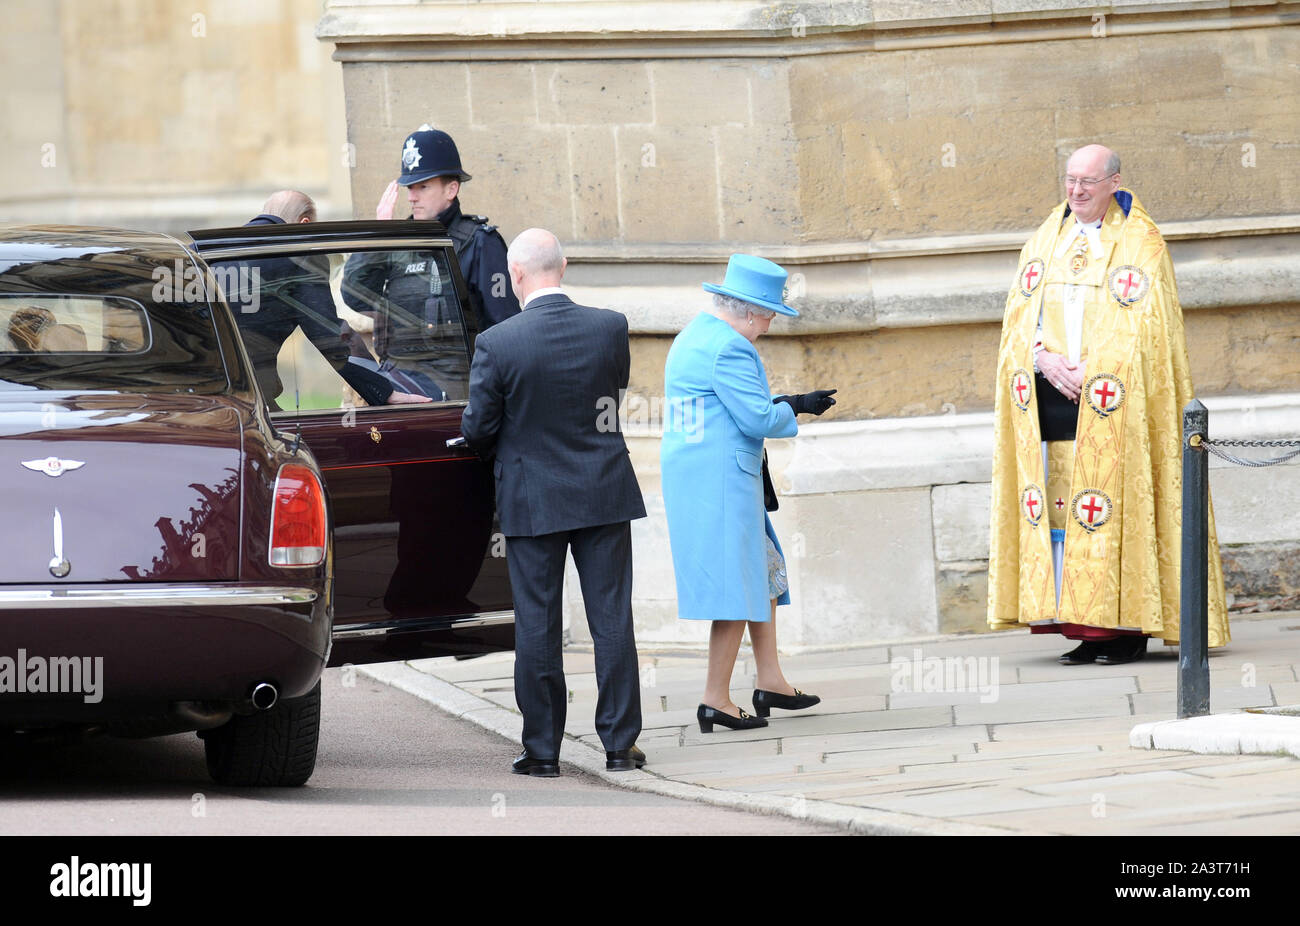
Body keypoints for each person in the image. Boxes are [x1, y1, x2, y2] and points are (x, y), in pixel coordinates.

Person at [987, 144, 1230, 665]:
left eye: (1087, 183)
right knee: (1064, 508)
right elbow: (1017, 318)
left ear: (1114, 181)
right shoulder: (1045, 238)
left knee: (1112, 508)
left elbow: (1150, 330)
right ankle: (1082, 627)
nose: (1075, 191)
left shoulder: (1143, 242)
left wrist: (1094, 368)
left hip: (1116, 398)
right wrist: (1043, 359)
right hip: (1052, 390)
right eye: (1070, 181)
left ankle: (1125, 629)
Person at [461, 228, 646, 777]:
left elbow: (477, 428)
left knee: (537, 625)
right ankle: (620, 745)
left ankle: (542, 751)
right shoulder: (610, 327)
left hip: (532, 496)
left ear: (515, 275)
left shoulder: (498, 342)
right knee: (611, 618)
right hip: (603, 490)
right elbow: (611, 393)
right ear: (562, 267)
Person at [661, 254, 837, 732]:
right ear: (751, 311)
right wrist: (795, 409)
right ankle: (715, 698)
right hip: (719, 483)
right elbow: (757, 418)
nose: (770, 324)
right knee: (736, 589)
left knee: (763, 574)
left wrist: (785, 403)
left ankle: (771, 680)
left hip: (705, 478)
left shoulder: (696, 334)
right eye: (770, 315)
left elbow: (733, 407)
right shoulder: (731, 348)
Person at [234, 190, 428, 408]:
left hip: (199, 394)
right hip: (249, 397)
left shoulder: (207, 252)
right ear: (304, 223)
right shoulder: (298, 257)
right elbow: (333, 335)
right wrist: (384, 391)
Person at [365, 125, 521, 327]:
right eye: (410, 188)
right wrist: (378, 238)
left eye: (423, 187)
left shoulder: (481, 244)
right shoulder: (396, 241)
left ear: (451, 190)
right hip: (401, 358)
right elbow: (357, 298)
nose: (412, 197)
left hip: (461, 359)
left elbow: (505, 324)